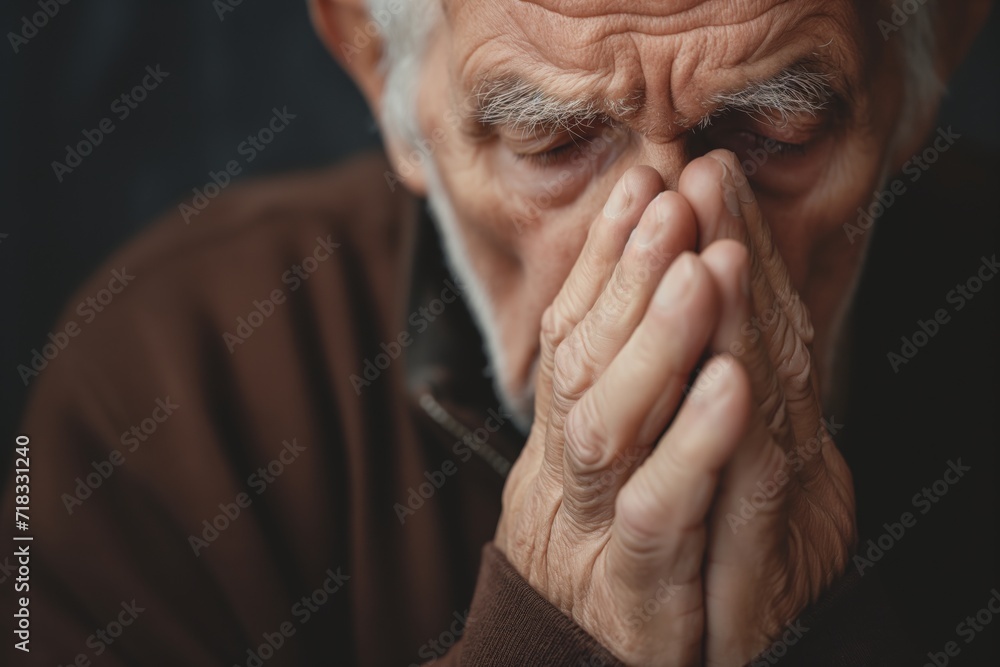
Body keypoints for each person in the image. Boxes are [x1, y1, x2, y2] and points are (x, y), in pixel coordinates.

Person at [3, 0, 996, 664]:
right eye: (551, 143)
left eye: (774, 136)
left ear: (928, 60)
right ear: (380, 68)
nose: (671, 250)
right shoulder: (162, 390)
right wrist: (548, 632)